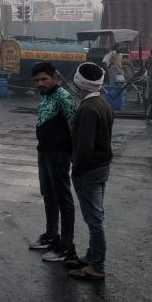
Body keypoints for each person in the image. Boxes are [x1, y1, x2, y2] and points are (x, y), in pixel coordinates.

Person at [65, 63, 114, 282]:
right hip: (102, 166)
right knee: (97, 214)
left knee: (94, 219)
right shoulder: (102, 103)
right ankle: (92, 256)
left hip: (90, 169)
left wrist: (76, 169)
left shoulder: (86, 109)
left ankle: (97, 266)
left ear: (79, 82)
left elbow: (85, 147)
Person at [28, 62, 78, 263]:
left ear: (54, 77)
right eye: (37, 81)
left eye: (44, 79)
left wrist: (73, 154)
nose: (40, 83)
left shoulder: (63, 97)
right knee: (48, 195)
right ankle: (51, 235)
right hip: (44, 151)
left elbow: (74, 126)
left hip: (59, 154)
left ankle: (66, 245)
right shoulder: (45, 96)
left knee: (63, 198)